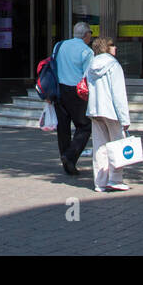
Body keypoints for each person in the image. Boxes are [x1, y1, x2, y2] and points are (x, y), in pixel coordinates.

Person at [85, 36, 132, 192]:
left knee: (99, 147)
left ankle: (100, 182)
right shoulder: (114, 65)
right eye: (112, 45)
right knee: (117, 144)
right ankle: (116, 179)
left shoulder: (91, 65)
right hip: (111, 111)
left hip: (95, 109)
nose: (115, 48)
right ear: (106, 47)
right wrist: (125, 118)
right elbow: (119, 94)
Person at [53, 22, 95, 177]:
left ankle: (67, 162)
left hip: (59, 90)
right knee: (84, 125)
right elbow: (88, 76)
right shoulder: (86, 52)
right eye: (90, 33)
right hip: (76, 92)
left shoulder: (59, 45)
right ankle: (70, 156)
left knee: (63, 127)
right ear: (86, 35)